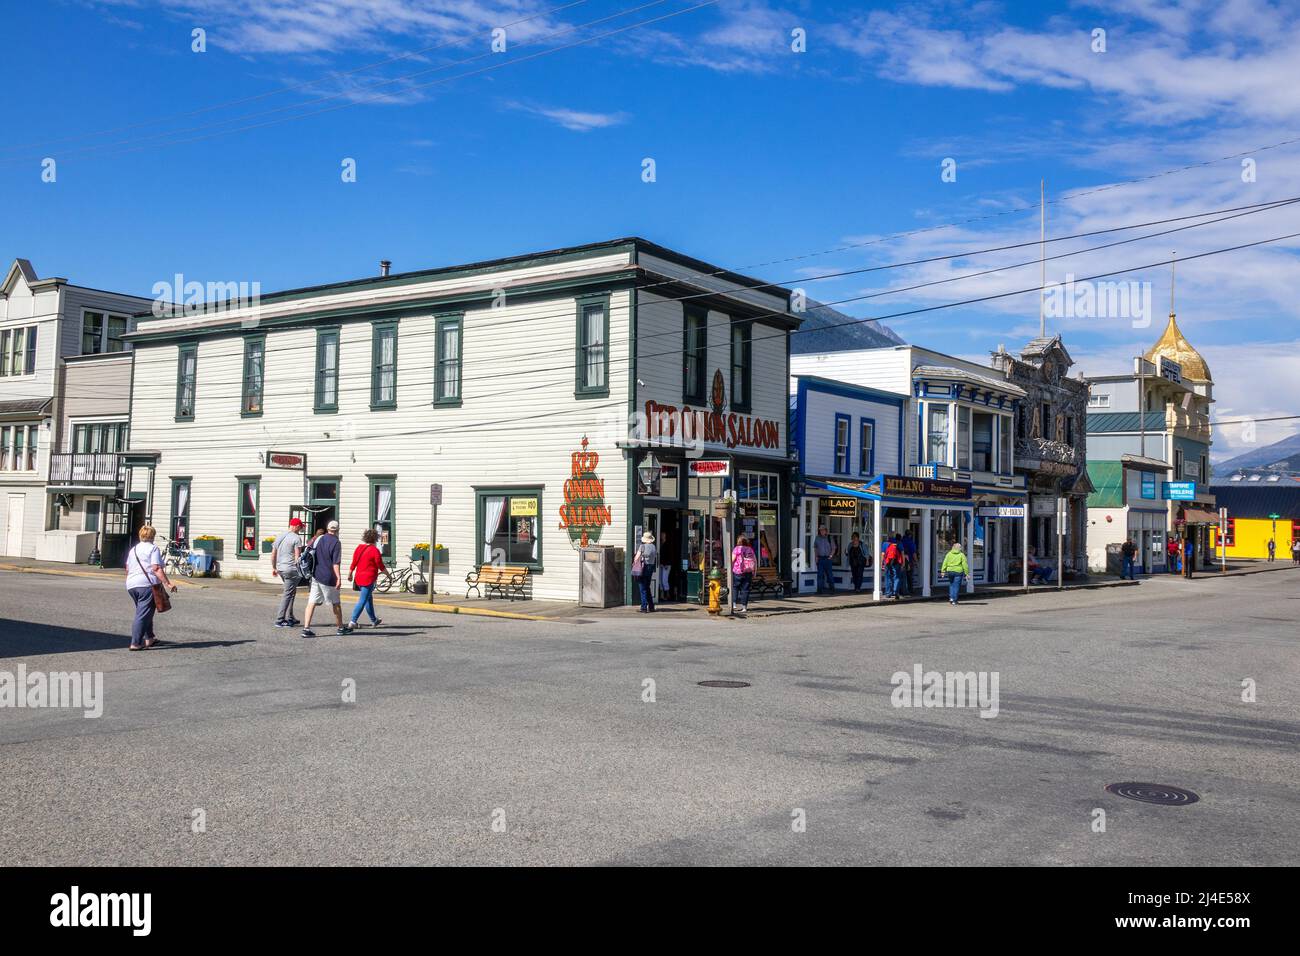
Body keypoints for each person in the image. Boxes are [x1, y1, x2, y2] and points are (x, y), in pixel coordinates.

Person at [124, 525, 178, 651]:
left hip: (131, 584)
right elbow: (156, 568)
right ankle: (135, 643)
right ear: (152, 536)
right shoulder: (153, 548)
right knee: (142, 614)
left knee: (145, 611)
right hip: (146, 585)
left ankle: (150, 638)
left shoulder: (134, 549)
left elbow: (127, 567)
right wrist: (168, 583)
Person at [302, 520, 344, 638]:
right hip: (329, 577)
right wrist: (339, 578)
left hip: (316, 575)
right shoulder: (336, 542)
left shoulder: (319, 538)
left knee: (311, 602)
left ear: (327, 528)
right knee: (335, 603)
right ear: (337, 530)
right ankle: (340, 628)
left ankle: (306, 628)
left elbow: (308, 549)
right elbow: (336, 563)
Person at [343, 528, 387, 632]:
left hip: (358, 577)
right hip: (369, 578)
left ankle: (374, 620)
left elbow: (354, 562)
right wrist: (388, 576)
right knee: (363, 600)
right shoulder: (374, 550)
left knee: (368, 598)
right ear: (375, 539)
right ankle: (353, 621)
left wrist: (350, 573)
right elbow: (380, 565)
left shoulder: (359, 548)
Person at [271, 517, 306, 627]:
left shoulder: (280, 536)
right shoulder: (296, 538)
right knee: (287, 594)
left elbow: (273, 554)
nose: (301, 529)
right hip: (291, 569)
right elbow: (297, 557)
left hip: (281, 568)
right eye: (300, 527)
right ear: (295, 526)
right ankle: (280, 619)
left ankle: (290, 617)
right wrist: (302, 569)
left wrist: (274, 568)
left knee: (291, 592)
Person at [731, 534, 757, 613]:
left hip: (737, 572)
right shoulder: (750, 549)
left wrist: (730, 568)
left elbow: (732, 560)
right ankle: (744, 607)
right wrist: (755, 572)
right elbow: (755, 561)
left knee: (735, 587)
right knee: (745, 590)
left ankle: (734, 604)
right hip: (748, 572)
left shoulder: (736, 549)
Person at [634, 531, 658, 612]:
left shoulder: (642, 546)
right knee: (647, 587)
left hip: (643, 568)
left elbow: (636, 558)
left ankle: (644, 607)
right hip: (651, 568)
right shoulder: (654, 547)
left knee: (642, 588)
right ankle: (651, 606)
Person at [813, 525, 836, 594]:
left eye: (823, 530)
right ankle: (819, 590)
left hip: (828, 558)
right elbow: (815, 548)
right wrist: (816, 557)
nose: (821, 531)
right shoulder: (817, 538)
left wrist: (831, 556)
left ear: (826, 531)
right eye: (820, 530)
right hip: (820, 558)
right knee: (820, 575)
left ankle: (832, 589)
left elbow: (833, 548)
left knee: (829, 574)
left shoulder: (829, 538)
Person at [883, 535, 904, 599]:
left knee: (888, 577)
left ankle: (888, 593)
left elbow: (883, 554)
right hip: (897, 562)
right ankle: (895, 592)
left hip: (888, 562)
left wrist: (882, 564)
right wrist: (903, 564)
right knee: (896, 577)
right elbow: (902, 554)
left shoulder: (885, 544)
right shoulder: (899, 544)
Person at [900, 530, 917, 595]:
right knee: (909, 576)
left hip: (901, 561)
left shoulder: (901, 541)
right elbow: (914, 553)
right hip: (909, 561)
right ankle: (910, 590)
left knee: (902, 576)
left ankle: (902, 590)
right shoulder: (911, 542)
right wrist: (916, 561)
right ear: (910, 535)